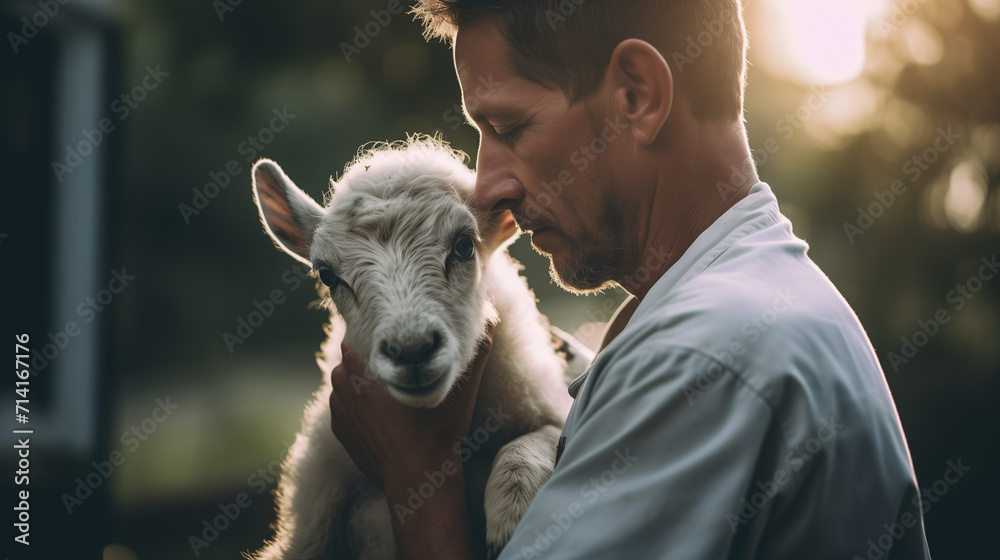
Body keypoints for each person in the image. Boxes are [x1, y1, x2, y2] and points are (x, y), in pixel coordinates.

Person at [327, 1, 933, 558]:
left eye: (509, 128)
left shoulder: (699, 361)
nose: (488, 187)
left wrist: (418, 473)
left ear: (638, 96)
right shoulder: (757, 298)